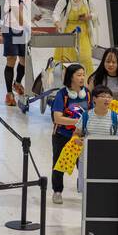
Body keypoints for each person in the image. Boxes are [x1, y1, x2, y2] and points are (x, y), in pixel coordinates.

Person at [49, 64, 88, 203]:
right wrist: (78, 121)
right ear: (71, 77)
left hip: (81, 137)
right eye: (78, 75)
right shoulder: (62, 95)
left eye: (83, 74)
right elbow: (57, 118)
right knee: (59, 164)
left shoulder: (87, 94)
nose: (82, 77)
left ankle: (85, 189)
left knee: (83, 165)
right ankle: (57, 191)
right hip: (62, 136)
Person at [0, 0, 37, 106]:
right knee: (12, 59)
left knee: (24, 59)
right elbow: (16, 13)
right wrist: (27, 25)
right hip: (10, 28)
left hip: (23, 29)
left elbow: (30, 7)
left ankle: (17, 83)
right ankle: (9, 93)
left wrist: (34, 16)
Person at [51, 0, 94, 74]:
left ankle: (85, 83)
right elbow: (55, 13)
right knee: (68, 58)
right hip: (69, 32)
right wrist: (57, 22)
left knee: (85, 57)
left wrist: (88, 16)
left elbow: (95, 14)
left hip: (84, 33)